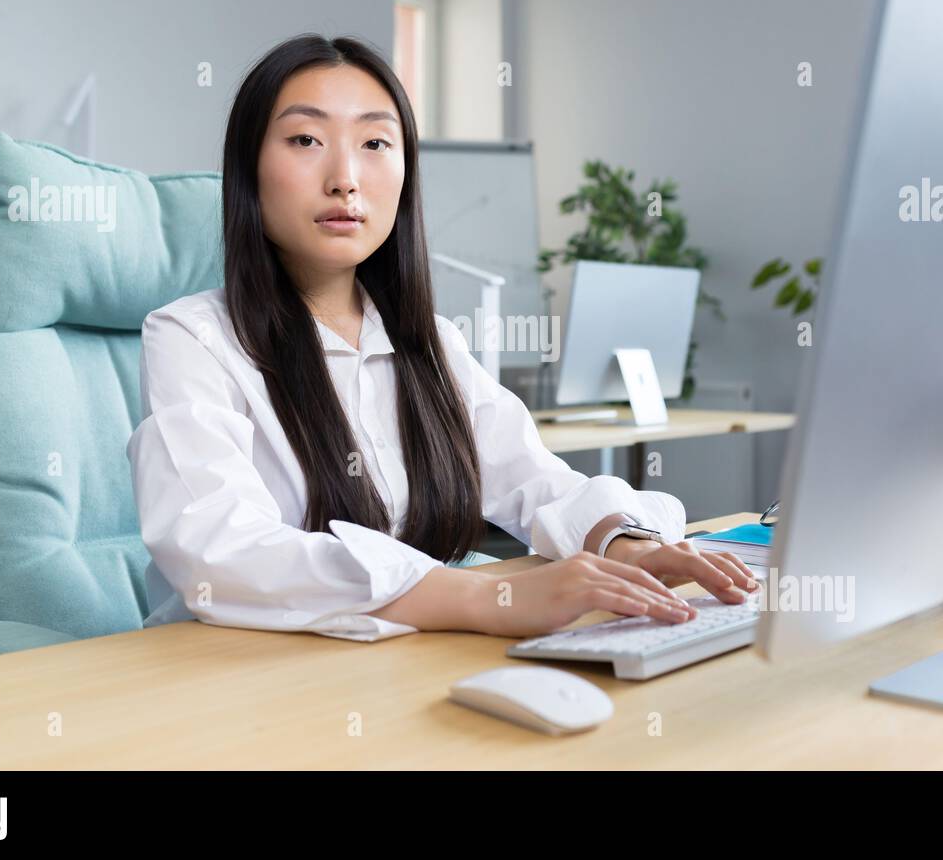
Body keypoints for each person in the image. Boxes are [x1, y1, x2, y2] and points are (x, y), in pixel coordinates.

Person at [126, 33, 755, 642]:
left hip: (391, 661)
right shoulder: (194, 337)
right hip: (231, 673)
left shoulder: (432, 344)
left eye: (375, 141)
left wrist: (623, 544)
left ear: (405, 178)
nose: (345, 178)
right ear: (249, 169)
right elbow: (218, 550)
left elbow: (532, 479)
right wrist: (479, 598)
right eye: (306, 139)